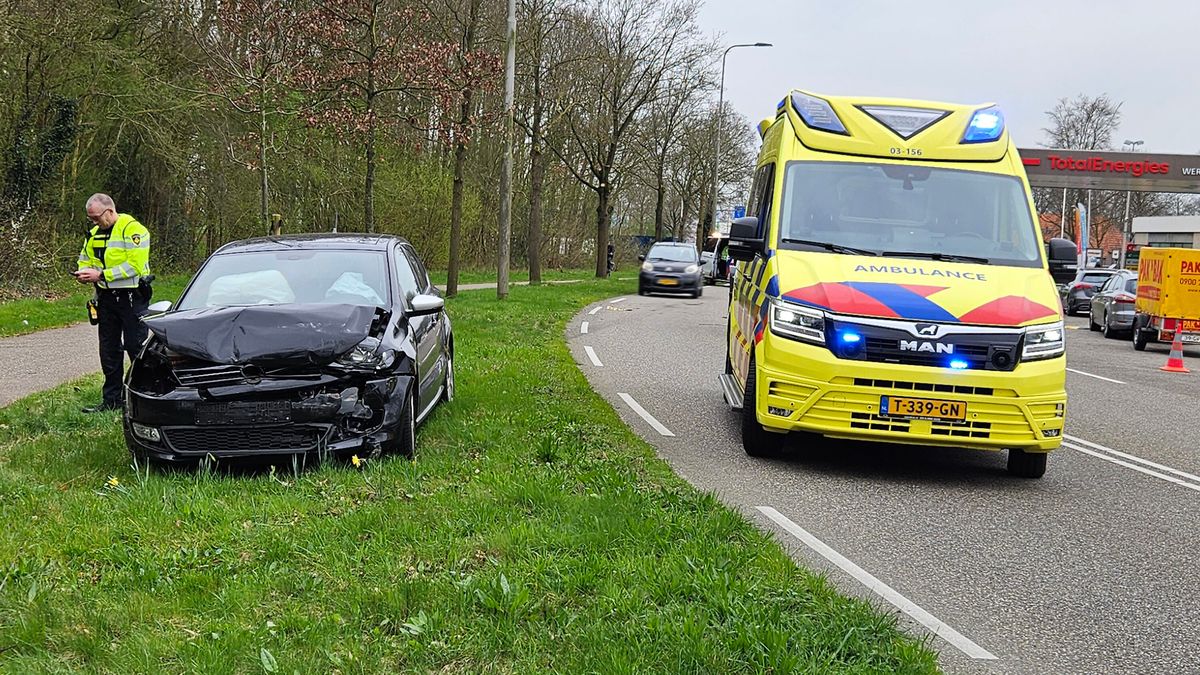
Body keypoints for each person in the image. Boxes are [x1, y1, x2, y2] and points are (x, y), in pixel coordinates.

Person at [74, 194, 152, 413]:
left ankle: (144, 397)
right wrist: (83, 272)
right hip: (106, 298)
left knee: (136, 346)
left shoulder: (133, 230)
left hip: (131, 296)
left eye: (96, 218)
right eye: (91, 219)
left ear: (109, 211)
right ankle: (112, 401)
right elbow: (85, 257)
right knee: (108, 349)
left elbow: (134, 266)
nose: (94, 223)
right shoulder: (94, 234)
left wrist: (100, 275)